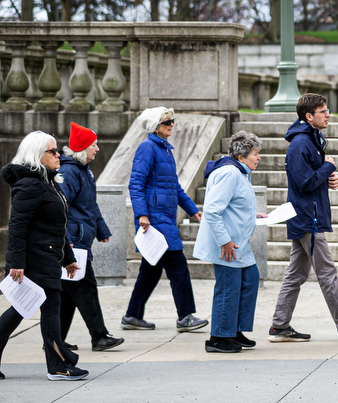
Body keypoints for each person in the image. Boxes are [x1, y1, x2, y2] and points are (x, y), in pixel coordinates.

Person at [269, 93, 338, 343]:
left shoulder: (312, 140)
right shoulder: (301, 144)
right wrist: (329, 167)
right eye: (323, 111)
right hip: (308, 218)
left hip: (308, 215)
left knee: (296, 274)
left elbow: (312, 178)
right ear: (309, 116)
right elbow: (304, 182)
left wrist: (331, 178)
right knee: (327, 272)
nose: (328, 115)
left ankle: (279, 326)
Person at [0, 131, 88, 381]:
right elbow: (17, 226)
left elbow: (56, 227)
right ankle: (58, 366)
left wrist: (68, 257)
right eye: (53, 151)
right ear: (37, 156)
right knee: (50, 310)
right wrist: (15, 263)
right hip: (34, 260)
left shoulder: (49, 182)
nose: (59, 154)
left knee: (20, 310)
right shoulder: (29, 184)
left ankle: (58, 365)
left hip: (47, 257)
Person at [122, 107, 208, 333]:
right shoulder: (148, 148)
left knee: (150, 270)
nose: (172, 124)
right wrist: (142, 214)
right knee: (178, 267)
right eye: (167, 121)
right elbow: (136, 183)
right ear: (155, 126)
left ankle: (132, 315)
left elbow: (174, 187)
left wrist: (192, 210)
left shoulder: (165, 150)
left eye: (172, 121)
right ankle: (185, 316)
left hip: (162, 217)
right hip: (155, 219)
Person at [194, 131, 267, 353]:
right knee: (228, 287)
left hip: (238, 243)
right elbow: (213, 211)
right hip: (228, 244)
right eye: (255, 153)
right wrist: (224, 241)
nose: (259, 157)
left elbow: (234, 205)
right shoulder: (230, 173)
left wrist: (253, 216)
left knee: (249, 279)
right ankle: (218, 337)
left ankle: (233, 330)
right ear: (242, 155)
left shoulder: (239, 172)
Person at [58, 122, 125, 352]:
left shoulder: (83, 169)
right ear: (82, 148)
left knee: (68, 293)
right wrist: (67, 240)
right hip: (73, 242)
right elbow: (60, 207)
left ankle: (56, 339)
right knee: (86, 288)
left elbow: (91, 206)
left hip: (78, 239)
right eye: (93, 145)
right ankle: (99, 337)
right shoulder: (69, 172)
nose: (97, 149)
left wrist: (102, 230)